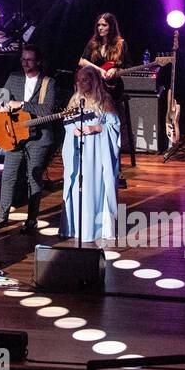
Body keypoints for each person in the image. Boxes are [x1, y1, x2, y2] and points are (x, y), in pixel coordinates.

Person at [0, 44, 59, 233]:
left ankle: (31, 220)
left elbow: (46, 110)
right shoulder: (14, 78)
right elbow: (0, 99)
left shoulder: (48, 82)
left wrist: (21, 104)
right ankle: (2, 217)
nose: (25, 63)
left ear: (38, 61)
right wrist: (2, 105)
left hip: (38, 137)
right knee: (9, 175)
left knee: (33, 177)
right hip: (15, 134)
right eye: (23, 59)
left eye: (29, 60)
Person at [61, 66, 122, 243]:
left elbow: (114, 126)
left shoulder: (104, 101)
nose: (81, 83)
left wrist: (95, 128)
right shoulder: (74, 100)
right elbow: (67, 122)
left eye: (85, 80)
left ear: (94, 81)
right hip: (79, 151)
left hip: (96, 152)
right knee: (77, 187)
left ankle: (94, 229)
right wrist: (73, 129)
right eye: (79, 80)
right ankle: (75, 227)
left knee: (92, 189)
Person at [78, 12, 136, 172]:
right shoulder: (93, 43)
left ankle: (112, 160)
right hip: (95, 87)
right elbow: (82, 60)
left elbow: (128, 66)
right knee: (93, 120)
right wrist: (99, 70)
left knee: (110, 123)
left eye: (104, 25)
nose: (101, 28)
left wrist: (116, 69)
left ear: (111, 26)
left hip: (113, 88)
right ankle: (95, 159)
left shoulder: (120, 44)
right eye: (99, 25)